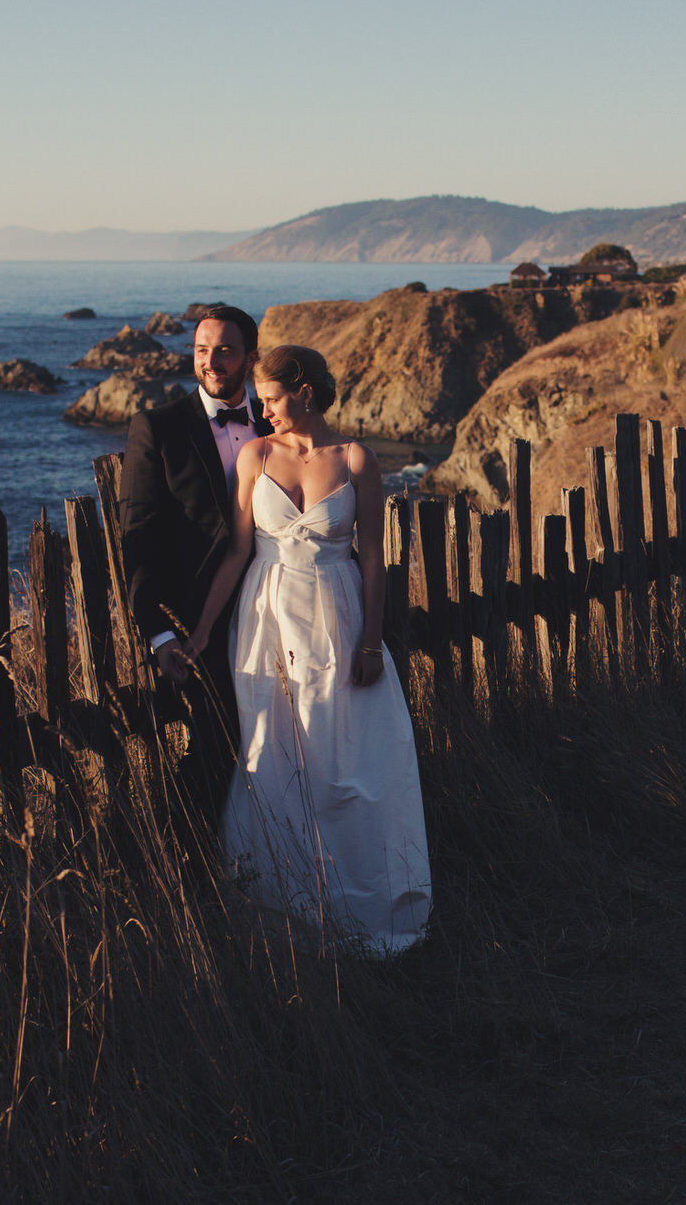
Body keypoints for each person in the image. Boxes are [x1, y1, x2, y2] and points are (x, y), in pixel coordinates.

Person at [187, 344, 431, 955]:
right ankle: (280, 910)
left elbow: (373, 557)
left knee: (348, 760)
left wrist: (371, 641)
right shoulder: (254, 455)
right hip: (267, 620)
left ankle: (364, 905)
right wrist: (198, 633)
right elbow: (239, 553)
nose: (261, 410)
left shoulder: (356, 460)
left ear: (303, 389)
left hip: (338, 616)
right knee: (272, 756)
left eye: (269, 398)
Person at [118, 303, 270, 826]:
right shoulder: (157, 428)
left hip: (281, 606)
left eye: (225, 351)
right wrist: (160, 635)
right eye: (202, 350)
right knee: (215, 746)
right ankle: (195, 867)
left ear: (250, 357)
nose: (211, 362)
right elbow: (136, 541)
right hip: (201, 619)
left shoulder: (277, 421)